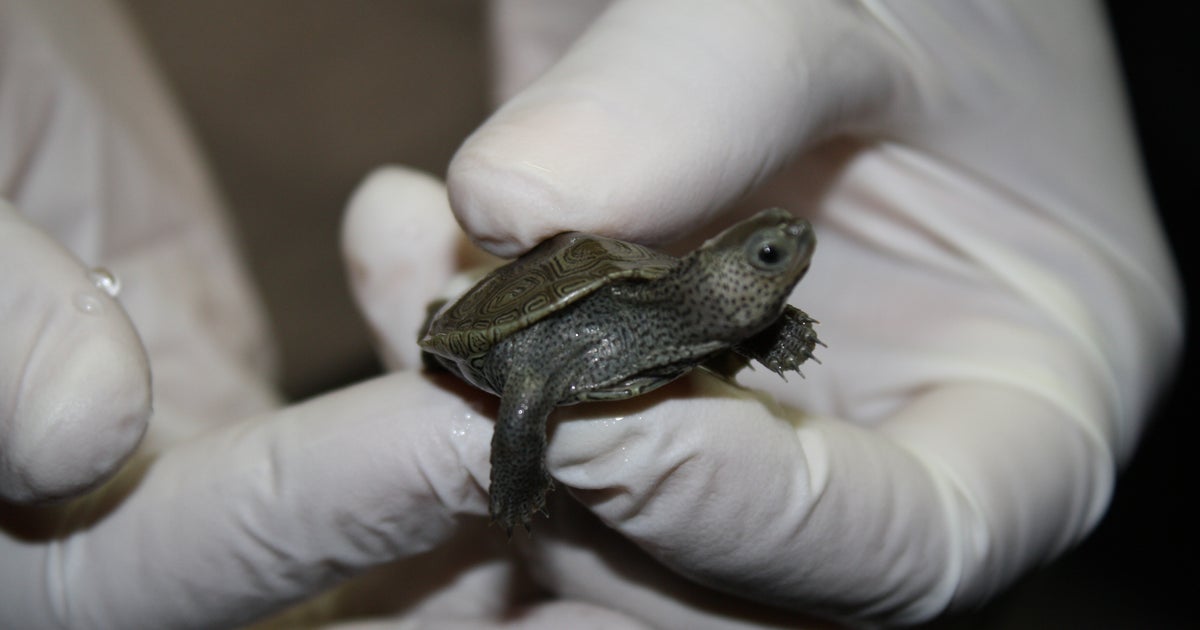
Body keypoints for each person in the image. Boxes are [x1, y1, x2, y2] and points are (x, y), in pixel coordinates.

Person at [0, 0, 1182, 627]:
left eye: (780, 257)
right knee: (510, 412)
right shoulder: (626, 309)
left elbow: (730, 313)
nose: (790, 254)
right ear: (725, 259)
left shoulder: (706, 309)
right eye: (769, 252)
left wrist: (776, 327)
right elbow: (533, 382)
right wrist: (519, 471)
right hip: (450, 321)